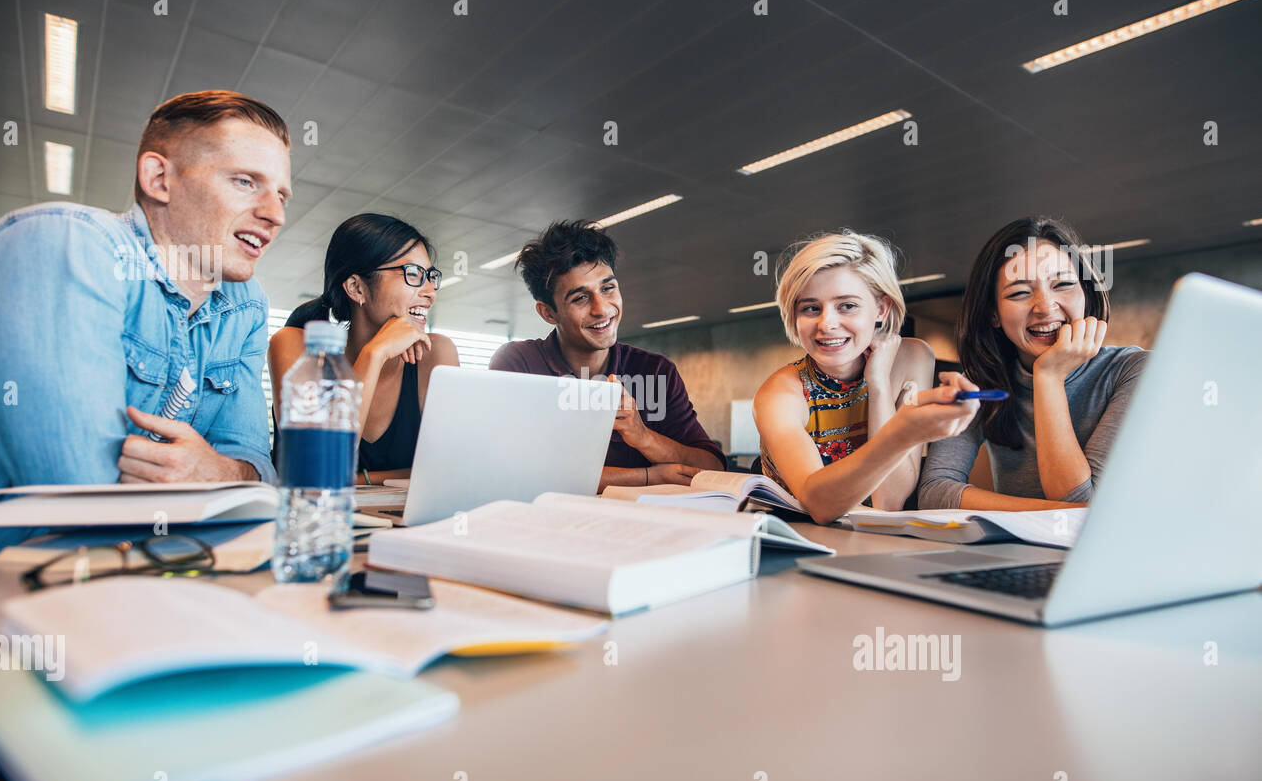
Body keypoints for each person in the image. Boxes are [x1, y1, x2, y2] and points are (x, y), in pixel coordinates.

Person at [0, 89, 290, 614]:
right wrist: (214, 483)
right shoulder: (64, 244)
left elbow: (255, 465)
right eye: (245, 181)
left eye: (282, 195)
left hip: (145, 584)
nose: (273, 214)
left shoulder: (244, 306)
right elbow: (81, 495)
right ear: (159, 179)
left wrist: (218, 472)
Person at [917, 216, 1147, 511]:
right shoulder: (983, 382)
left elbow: (1078, 498)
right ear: (993, 314)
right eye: (1020, 293)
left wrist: (1049, 377)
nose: (1046, 307)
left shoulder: (1134, 370)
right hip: (1017, 555)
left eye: (1063, 284)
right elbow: (935, 491)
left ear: (1086, 295)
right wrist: (1051, 515)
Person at [754, 231, 982, 524]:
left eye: (847, 306)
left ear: (881, 309)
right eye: (811, 308)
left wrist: (879, 385)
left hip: (876, 538)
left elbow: (889, 501)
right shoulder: (781, 393)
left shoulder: (913, 357)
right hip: (799, 538)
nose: (827, 323)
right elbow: (819, 505)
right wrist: (902, 431)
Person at [488, 219, 724, 489]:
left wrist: (642, 436)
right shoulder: (519, 365)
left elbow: (713, 468)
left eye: (608, 288)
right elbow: (511, 469)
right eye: (580, 298)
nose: (602, 309)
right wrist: (646, 477)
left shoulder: (656, 371)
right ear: (549, 313)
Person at [268, 214, 458, 483]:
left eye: (430, 276)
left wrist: (356, 479)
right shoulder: (295, 345)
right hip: (315, 522)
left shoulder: (435, 353)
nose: (430, 292)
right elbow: (317, 468)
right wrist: (375, 353)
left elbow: (447, 472)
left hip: (406, 523)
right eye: (413, 274)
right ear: (357, 287)